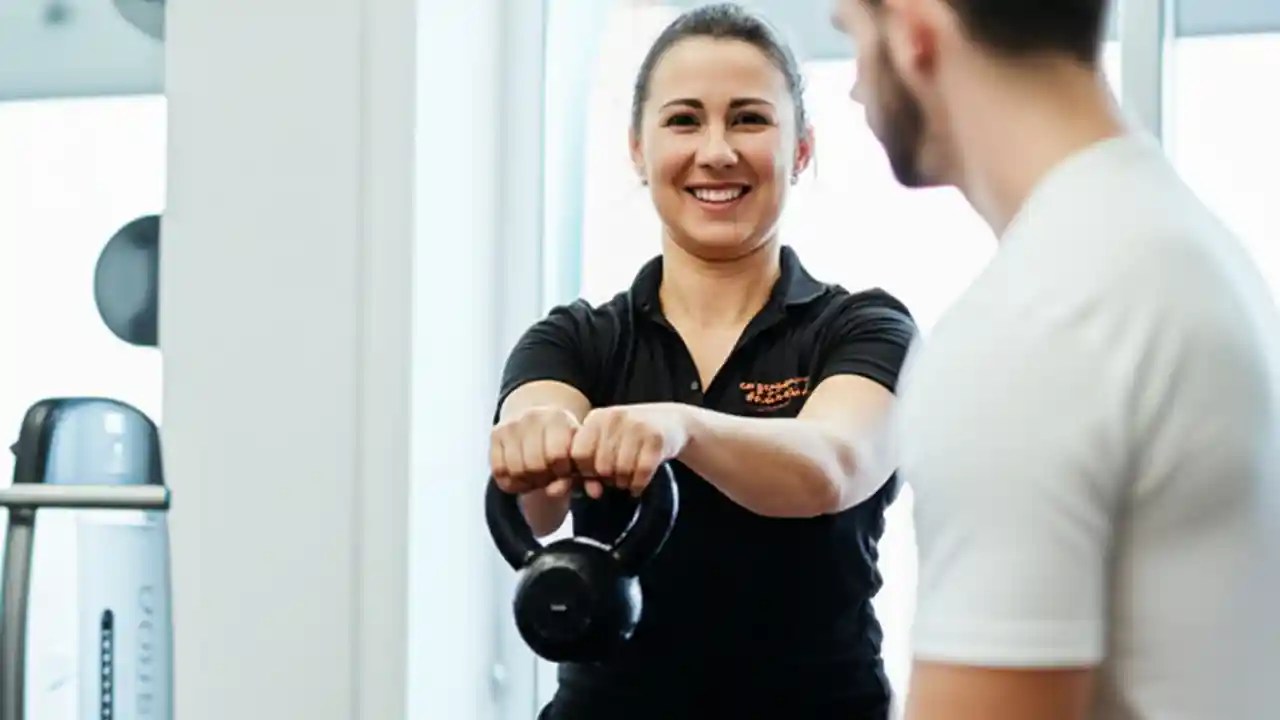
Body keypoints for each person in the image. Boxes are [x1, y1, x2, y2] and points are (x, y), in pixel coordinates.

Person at [832, 1, 1280, 719]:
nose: (856, 86)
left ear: (915, 34)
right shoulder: (1182, 247)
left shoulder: (1037, 321)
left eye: (854, 35)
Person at [490, 4, 917, 719]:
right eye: (684, 121)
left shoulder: (864, 330)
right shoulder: (576, 340)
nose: (716, 152)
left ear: (801, 150)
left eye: (748, 120)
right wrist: (533, 444)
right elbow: (535, 504)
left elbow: (832, 466)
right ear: (638, 149)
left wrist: (680, 428)